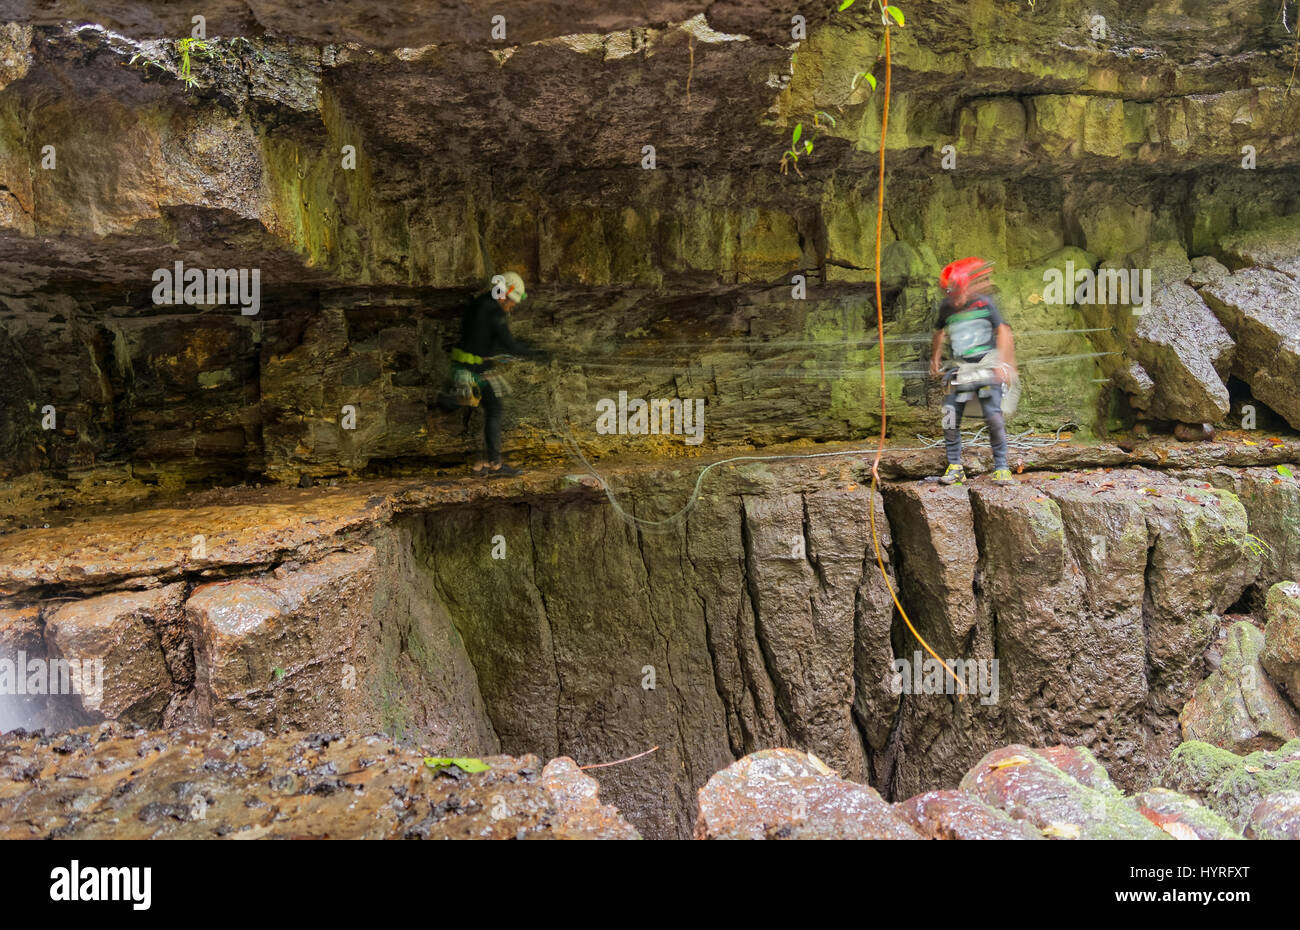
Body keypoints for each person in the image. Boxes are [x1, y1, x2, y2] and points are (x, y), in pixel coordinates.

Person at [927, 257, 1018, 486]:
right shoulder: (946, 307)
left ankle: (1001, 467)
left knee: (993, 416)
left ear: (965, 287)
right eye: (950, 294)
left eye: (957, 293)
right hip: (961, 367)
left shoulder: (985, 304)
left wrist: (1005, 363)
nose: (954, 299)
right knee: (949, 416)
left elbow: (1004, 331)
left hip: (987, 364)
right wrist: (935, 357)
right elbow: (939, 332)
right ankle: (956, 467)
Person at [448, 271, 547, 477]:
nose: (512, 306)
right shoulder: (494, 312)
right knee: (494, 410)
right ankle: (494, 464)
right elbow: (510, 344)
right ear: (504, 292)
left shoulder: (480, 303)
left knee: (481, 413)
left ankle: (479, 464)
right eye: (511, 301)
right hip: (475, 372)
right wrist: (537, 354)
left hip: (463, 368)